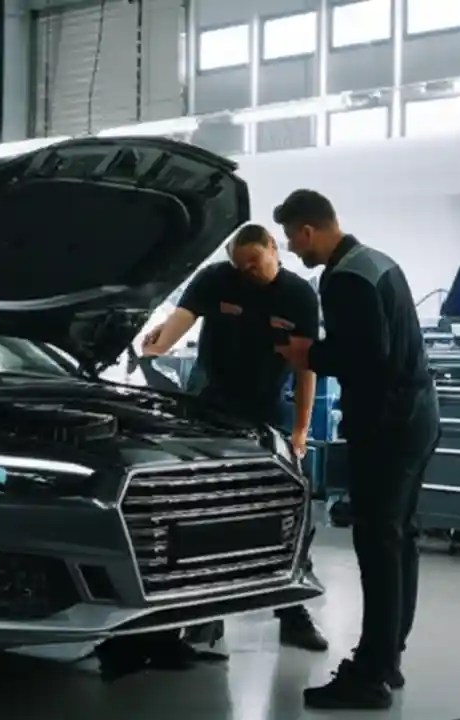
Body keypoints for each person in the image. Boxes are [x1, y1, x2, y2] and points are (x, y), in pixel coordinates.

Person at [272, 190, 439, 710]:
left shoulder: (342, 277)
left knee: (377, 543)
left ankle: (369, 674)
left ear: (307, 230)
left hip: (388, 423)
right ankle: (388, 659)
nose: (294, 252)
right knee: (399, 539)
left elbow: (368, 356)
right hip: (416, 414)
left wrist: (309, 353)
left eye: (292, 240)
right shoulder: (378, 261)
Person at [141, 223, 329, 653]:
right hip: (211, 410)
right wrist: (154, 348)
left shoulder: (298, 294)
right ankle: (203, 616)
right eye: (239, 264)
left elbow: (306, 368)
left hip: (268, 413)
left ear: (273, 251)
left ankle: (292, 610)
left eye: (254, 262)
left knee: (285, 510)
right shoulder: (215, 279)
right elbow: (178, 323)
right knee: (202, 510)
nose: (246, 271)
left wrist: (301, 430)